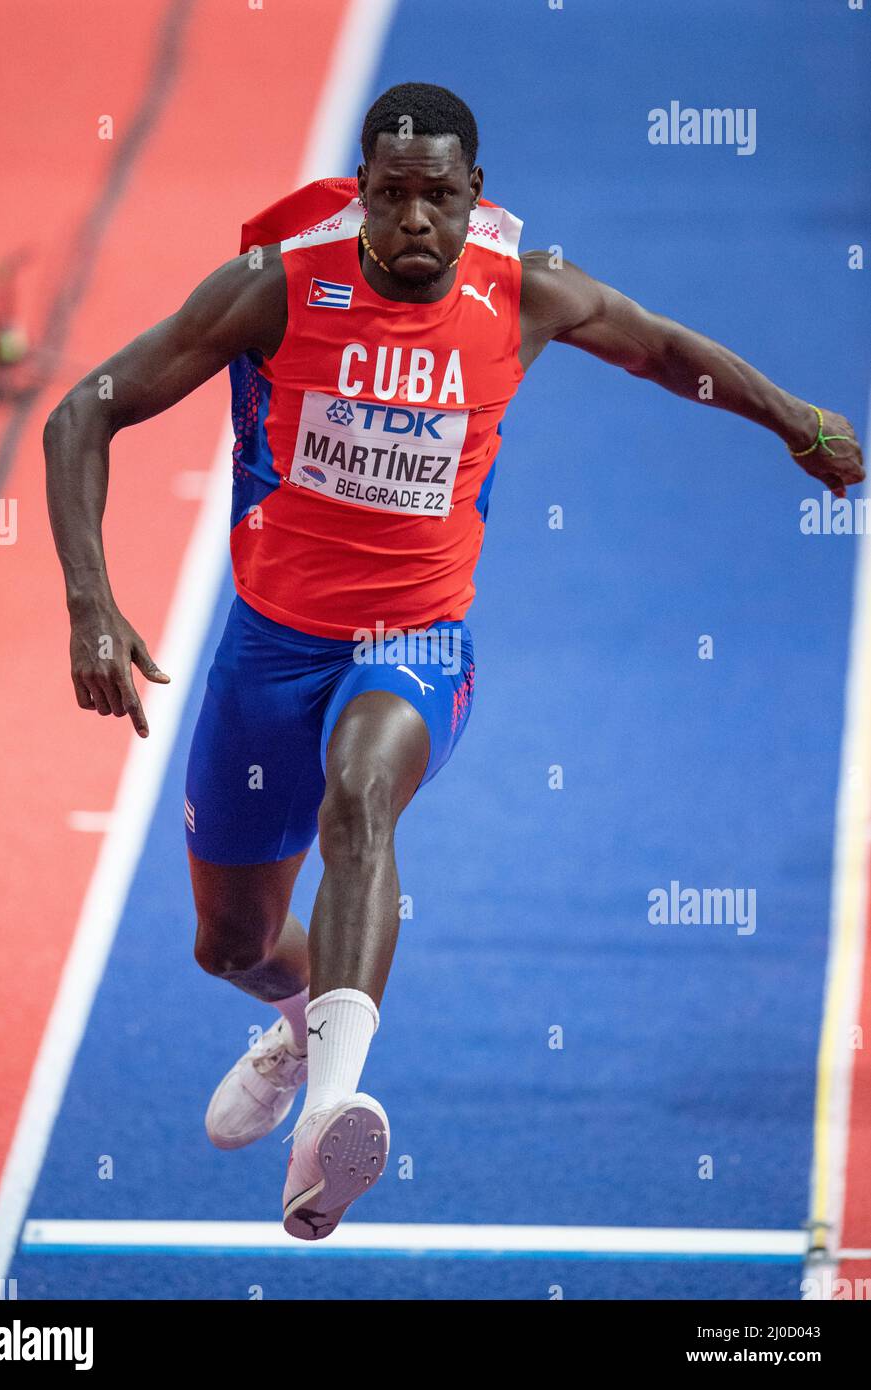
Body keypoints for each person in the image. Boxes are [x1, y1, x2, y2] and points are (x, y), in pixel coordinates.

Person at [44, 82, 865, 1241]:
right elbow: (84, 408)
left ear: (475, 195)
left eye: (439, 195)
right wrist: (89, 600)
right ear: (362, 196)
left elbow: (666, 349)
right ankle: (296, 1026)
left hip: (418, 636)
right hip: (269, 645)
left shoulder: (519, 294)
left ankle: (328, 1116)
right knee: (229, 941)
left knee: (361, 799)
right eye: (392, 196)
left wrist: (792, 419)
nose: (416, 220)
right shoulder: (276, 289)